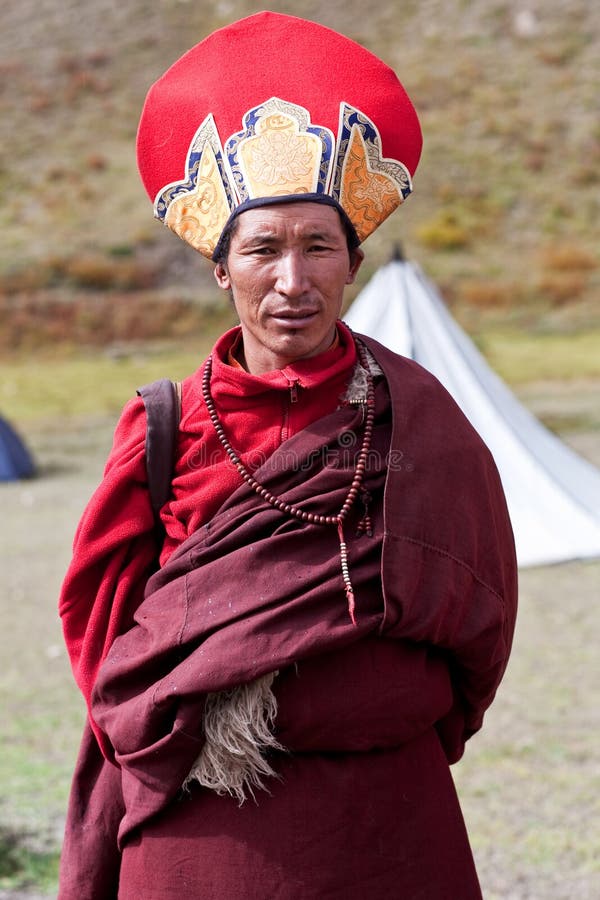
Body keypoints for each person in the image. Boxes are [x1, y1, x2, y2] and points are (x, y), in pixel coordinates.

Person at [58, 12, 518, 899]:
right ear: (221, 268)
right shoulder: (165, 426)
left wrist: (368, 717)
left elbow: (479, 630)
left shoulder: (420, 420)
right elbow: (103, 640)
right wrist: (195, 726)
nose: (292, 280)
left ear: (353, 260)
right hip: (203, 824)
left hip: (388, 824)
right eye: (263, 249)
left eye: (319, 246)